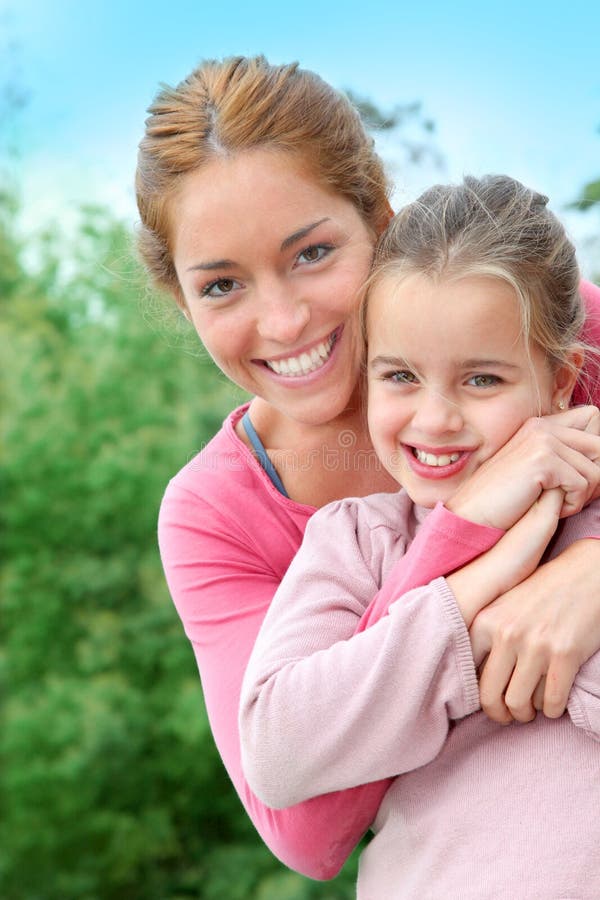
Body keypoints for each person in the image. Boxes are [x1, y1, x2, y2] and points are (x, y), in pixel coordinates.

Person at [135, 55, 600, 879]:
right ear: (182, 302)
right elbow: (306, 830)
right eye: (221, 287)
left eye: (313, 254)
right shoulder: (217, 513)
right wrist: (464, 545)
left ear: (380, 223)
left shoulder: (540, 325)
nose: (282, 320)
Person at [240, 175, 600, 898]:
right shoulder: (356, 540)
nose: (434, 421)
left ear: (560, 381)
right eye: (400, 376)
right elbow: (279, 749)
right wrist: (469, 561)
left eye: (482, 380)